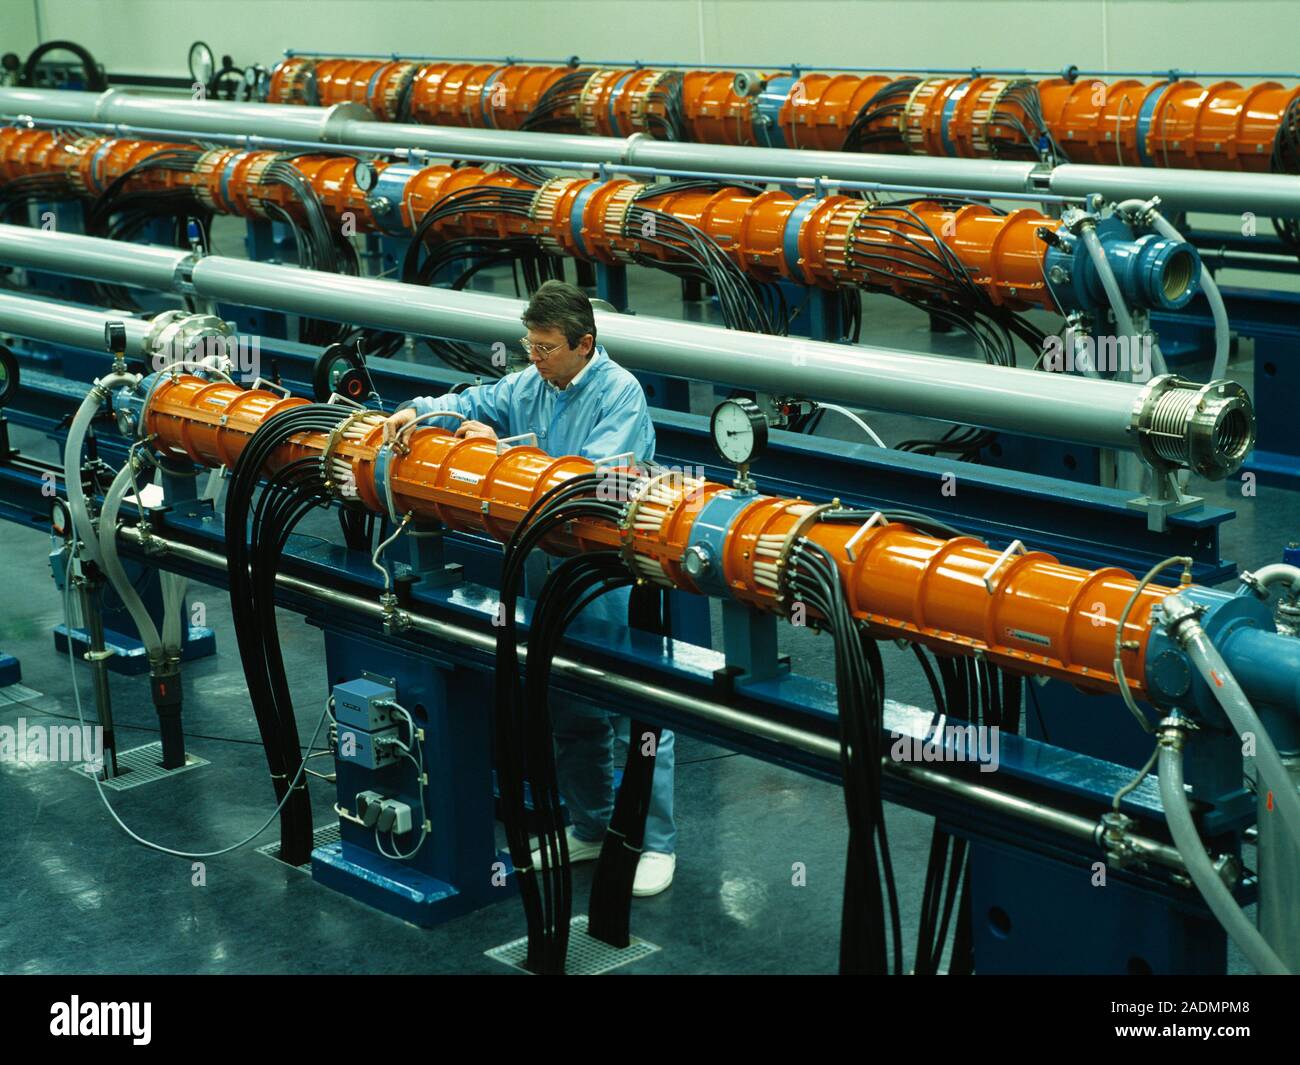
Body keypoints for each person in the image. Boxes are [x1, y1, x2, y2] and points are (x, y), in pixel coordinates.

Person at [381, 280, 677, 896]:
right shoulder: (531, 383)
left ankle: (655, 841)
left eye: (545, 347)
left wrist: (504, 459)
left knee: (631, 702)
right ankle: (594, 827)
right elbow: (479, 400)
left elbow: (588, 482)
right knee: (567, 701)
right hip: (548, 564)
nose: (534, 357)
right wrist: (428, 410)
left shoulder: (620, 394)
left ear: (584, 344)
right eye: (530, 345)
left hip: (608, 569)